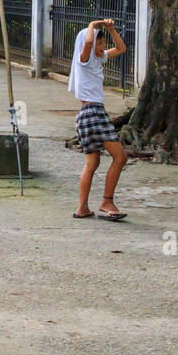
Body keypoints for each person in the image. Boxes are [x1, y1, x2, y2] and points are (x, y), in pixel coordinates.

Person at [69, 18, 129, 220]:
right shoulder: (83, 59)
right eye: (100, 43)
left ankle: (82, 208)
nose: (103, 47)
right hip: (94, 113)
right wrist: (93, 25)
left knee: (92, 164)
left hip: (85, 116)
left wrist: (111, 30)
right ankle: (107, 201)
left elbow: (121, 49)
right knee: (120, 157)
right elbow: (87, 43)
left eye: (103, 44)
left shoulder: (98, 59)